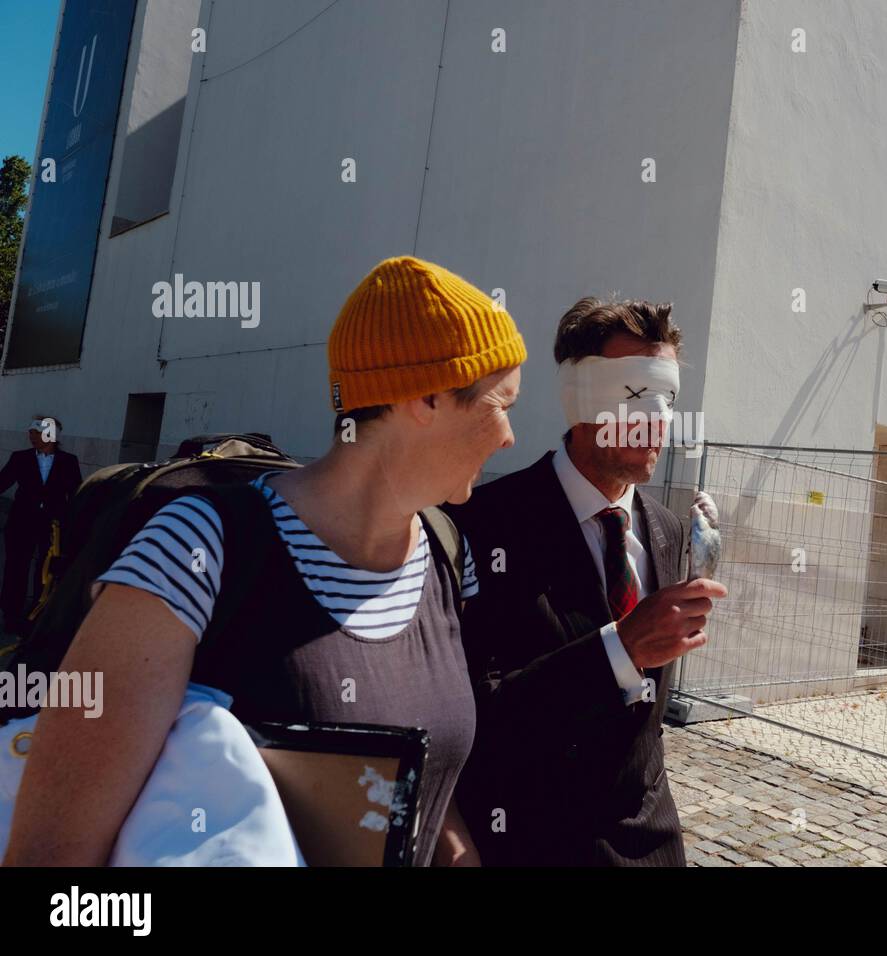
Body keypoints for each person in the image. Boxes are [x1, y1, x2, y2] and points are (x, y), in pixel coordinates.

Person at [2, 256, 525, 866]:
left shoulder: (443, 553)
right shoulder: (197, 547)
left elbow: (429, 788)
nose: (509, 435)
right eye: (501, 402)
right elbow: (51, 855)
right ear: (425, 396)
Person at [446, 296, 726, 866]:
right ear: (579, 400)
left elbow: (646, 729)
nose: (658, 418)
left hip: (650, 843)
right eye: (633, 395)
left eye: (667, 399)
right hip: (532, 844)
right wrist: (618, 649)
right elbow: (476, 716)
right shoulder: (481, 526)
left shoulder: (668, 532)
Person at [0, 416, 82, 637]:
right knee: (16, 567)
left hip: (53, 525)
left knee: (46, 571)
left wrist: (75, 522)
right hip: (21, 522)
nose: (31, 436)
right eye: (30, 432)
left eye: (36, 432)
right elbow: (3, 481)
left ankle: (37, 614)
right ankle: (11, 615)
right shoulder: (20, 458)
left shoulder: (69, 461)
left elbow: (76, 493)